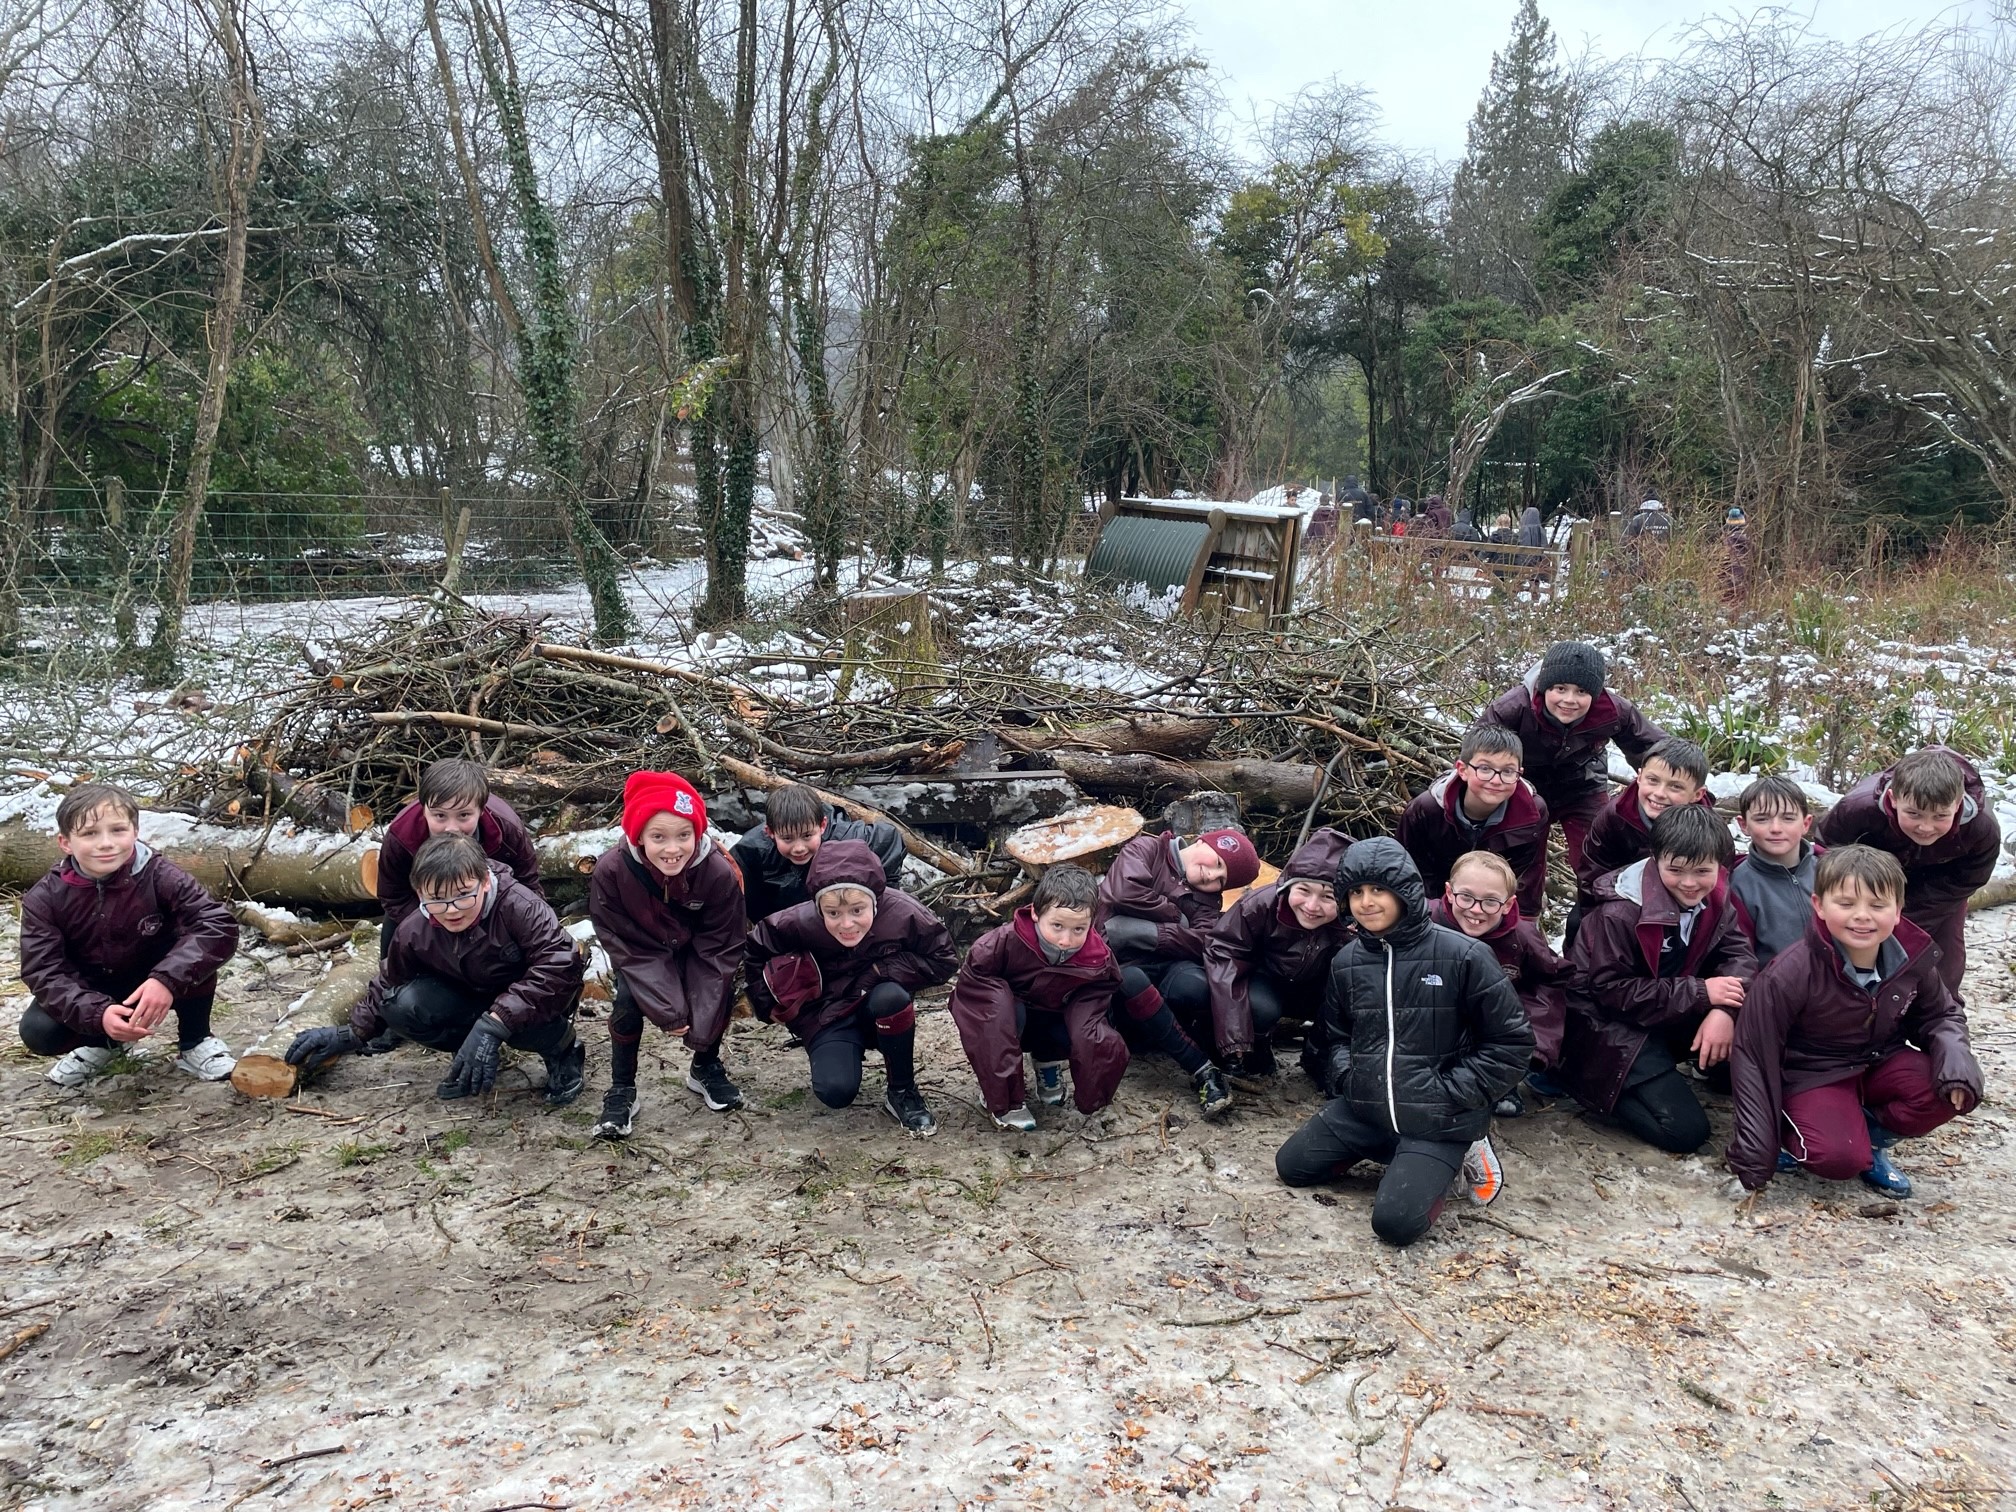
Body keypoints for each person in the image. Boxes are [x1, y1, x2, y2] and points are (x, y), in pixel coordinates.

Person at [1275, 839, 1532, 1245]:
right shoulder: (1348, 962)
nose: (1366, 902)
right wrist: (1349, 1078)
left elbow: (1511, 1043)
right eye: (1356, 892)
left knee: (1395, 1224)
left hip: (1440, 1117)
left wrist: (1451, 1093)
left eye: (1378, 889)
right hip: (1368, 1108)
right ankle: (1402, 1157)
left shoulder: (1465, 955)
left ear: (1405, 891)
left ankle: (1457, 1152)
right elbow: (1335, 1036)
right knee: (1292, 1167)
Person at [1727, 846, 1981, 1198]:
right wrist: (1757, 1148)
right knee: (1838, 1159)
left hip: (1878, 1060)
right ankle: (1799, 1136)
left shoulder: (1912, 957)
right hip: (1811, 1073)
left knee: (1946, 1088)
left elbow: (1941, 1014)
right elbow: (1753, 1054)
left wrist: (1957, 1061)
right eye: (1846, 904)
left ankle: (1870, 1141)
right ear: (1819, 905)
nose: (1862, 917)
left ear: (1897, 911)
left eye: (1877, 906)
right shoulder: (1790, 972)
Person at [289, 833, 587, 1105]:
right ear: (420, 894)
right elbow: (389, 980)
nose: (452, 909)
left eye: (463, 895)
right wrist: (352, 1032)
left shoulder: (520, 905)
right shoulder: (414, 930)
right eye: (437, 900)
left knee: (524, 1014)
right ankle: (469, 1059)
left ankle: (563, 1050)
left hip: (532, 1001)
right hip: (470, 997)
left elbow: (559, 963)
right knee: (401, 1004)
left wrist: (496, 1022)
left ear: (484, 881)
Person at [1563, 805, 1757, 1155]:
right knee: (1685, 1132)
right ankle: (1584, 1082)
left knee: (1750, 1038)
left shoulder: (1715, 898)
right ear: (1655, 858)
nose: (1689, 882)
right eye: (1676, 870)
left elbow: (1740, 957)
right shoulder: (1620, 911)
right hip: (1605, 1027)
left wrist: (1724, 1011)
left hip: (1663, 1009)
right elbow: (1609, 991)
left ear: (1720, 866)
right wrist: (1701, 993)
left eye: (1702, 871)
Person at [19, 782, 239, 1086]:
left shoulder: (160, 875)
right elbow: (43, 970)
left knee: (193, 950)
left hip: (160, 980)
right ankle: (105, 1044)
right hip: (97, 990)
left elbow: (217, 925)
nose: (106, 843)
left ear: (135, 831)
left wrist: (166, 980)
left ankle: (195, 1040)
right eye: (89, 834)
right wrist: (99, 1015)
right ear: (65, 842)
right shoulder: (44, 898)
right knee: (38, 1031)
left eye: (118, 830)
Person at [743, 839, 956, 1135]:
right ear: (819, 907)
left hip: (876, 1004)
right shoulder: (796, 922)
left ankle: (902, 1091)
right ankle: (843, 1055)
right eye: (833, 914)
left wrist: (881, 970)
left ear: (876, 900)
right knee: (835, 1092)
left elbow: (944, 960)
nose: (847, 924)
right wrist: (767, 1004)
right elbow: (754, 948)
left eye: (858, 911)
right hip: (827, 1015)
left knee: (892, 997)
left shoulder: (904, 913)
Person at [586, 771, 747, 1140]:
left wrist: (701, 1024)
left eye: (683, 836)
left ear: (698, 833)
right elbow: (621, 940)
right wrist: (665, 1008)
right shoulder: (612, 870)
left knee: (718, 990)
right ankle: (622, 1088)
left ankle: (705, 1065)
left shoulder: (719, 873)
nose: (672, 849)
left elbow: (721, 948)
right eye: (658, 837)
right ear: (639, 835)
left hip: (699, 950)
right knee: (627, 999)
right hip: (640, 951)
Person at [948, 864, 1154, 1131]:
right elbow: (974, 991)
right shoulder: (999, 943)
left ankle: (1048, 1061)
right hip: (1011, 1017)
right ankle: (1002, 1097)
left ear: (1091, 924)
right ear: (1035, 912)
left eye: (1078, 930)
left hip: (1053, 1015)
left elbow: (1099, 998)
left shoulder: (1098, 959)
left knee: (1088, 1032)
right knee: (999, 1013)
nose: (1065, 940)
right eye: (1056, 926)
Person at [1097, 826, 1258, 1113]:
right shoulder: (1147, 848)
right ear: (1203, 842)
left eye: (1221, 881)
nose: (1211, 877)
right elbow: (1123, 892)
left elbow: (1203, 940)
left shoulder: (1208, 900)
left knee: (1195, 985)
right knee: (1132, 980)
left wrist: (1146, 932)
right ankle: (1201, 1068)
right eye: (1217, 864)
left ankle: (1215, 1052)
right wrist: (1176, 915)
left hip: (1163, 965)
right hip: (1116, 968)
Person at [1815, 747, 2000, 997]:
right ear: (1893, 799)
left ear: (1956, 806)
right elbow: (1826, 851)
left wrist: (1903, 918)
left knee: (1943, 958)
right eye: (1914, 814)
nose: (1926, 826)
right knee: (1853, 945)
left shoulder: (1982, 828)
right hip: (1868, 882)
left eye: (1940, 816)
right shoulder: (1857, 809)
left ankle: (1943, 1014)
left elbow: (1970, 878)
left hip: (1940, 890)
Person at [1479, 639, 1668, 879]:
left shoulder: (1614, 710)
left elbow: (1658, 749)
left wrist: (1666, 786)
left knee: (1598, 854)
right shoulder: (1513, 708)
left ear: (1595, 694)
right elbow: (1478, 755)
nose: (1569, 700)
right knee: (1523, 861)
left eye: (1581, 691)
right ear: (1545, 687)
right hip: (1525, 786)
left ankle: (1596, 910)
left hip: (1584, 784)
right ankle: (1525, 913)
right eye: (1560, 689)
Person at [1203, 827, 1355, 1089]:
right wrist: (1234, 1037)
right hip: (1267, 980)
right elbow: (1223, 952)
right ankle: (1255, 1048)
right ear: (1287, 885)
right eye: (1303, 891)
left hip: (1321, 990)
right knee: (1261, 1007)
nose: (1311, 906)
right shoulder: (1261, 904)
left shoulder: (1355, 924)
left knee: (1344, 1000)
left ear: (1345, 901)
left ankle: (1318, 1058)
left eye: (1328, 897)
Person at [1430, 851, 1570, 1116]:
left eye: (1490, 902)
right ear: (1449, 892)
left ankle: (1502, 1084)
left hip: (1491, 1026)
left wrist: (1537, 1042)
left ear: (1508, 905)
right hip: (1433, 1017)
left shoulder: (1523, 936)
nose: (1476, 910)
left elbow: (1552, 981)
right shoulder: (1425, 920)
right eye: (1466, 897)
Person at [375, 759, 543, 949]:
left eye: (463, 815)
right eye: (440, 816)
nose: (451, 828)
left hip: (492, 913)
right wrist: (437, 927)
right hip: (427, 909)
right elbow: (393, 895)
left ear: (481, 811)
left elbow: (529, 885)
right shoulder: (401, 835)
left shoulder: (508, 829)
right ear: (424, 811)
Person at [1395, 726, 1550, 915]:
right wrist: (1434, 912)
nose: (1496, 780)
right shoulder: (1426, 809)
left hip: (1494, 907)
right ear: (1462, 770)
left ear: (1520, 774)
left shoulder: (1533, 812)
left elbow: (1529, 874)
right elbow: (1408, 870)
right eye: (1485, 769)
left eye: (1508, 771)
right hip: (1434, 905)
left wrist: (1524, 921)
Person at [1574, 735, 1717, 919]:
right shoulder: (1614, 818)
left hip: (1686, 904)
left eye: (1675, 787)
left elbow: (1719, 882)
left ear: (1697, 794)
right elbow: (1591, 875)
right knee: (1577, 922)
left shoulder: (1710, 828)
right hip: (1625, 902)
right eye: (1653, 780)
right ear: (1639, 777)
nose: (1659, 793)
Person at [732, 781, 905, 924]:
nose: (799, 847)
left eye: (807, 836)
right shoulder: (752, 850)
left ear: (822, 826)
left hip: (843, 917)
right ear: (770, 833)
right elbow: (732, 889)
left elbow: (890, 839)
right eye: (788, 839)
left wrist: (879, 901)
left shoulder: (845, 838)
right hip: (790, 921)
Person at [1729, 775, 1819, 967]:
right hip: (1776, 989)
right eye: (1762, 819)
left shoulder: (1830, 872)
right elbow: (1740, 957)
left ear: (1806, 823)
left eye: (1788, 818)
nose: (1776, 828)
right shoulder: (1738, 885)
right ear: (1743, 825)